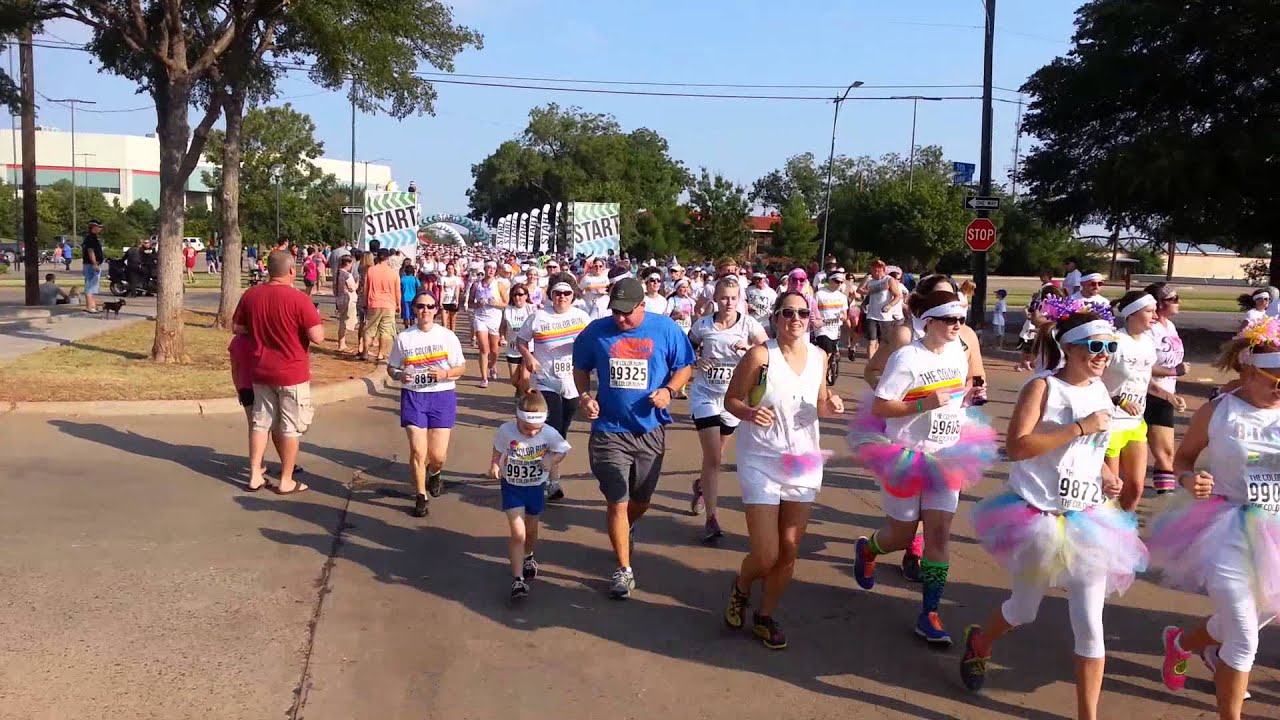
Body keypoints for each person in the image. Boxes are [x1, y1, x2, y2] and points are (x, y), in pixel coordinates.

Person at [959, 309, 1147, 720]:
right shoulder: (1042, 387)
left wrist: (1108, 475)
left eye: (1109, 346)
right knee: (1023, 610)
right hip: (1038, 515)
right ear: (1070, 348)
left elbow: (1093, 451)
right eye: (1095, 346)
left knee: (1091, 625)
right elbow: (1017, 447)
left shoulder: (1100, 390)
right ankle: (980, 641)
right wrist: (1079, 427)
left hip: (1088, 518)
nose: (1104, 354)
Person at [1149, 318, 1280, 719]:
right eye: (1275, 378)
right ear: (1249, 372)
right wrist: (1190, 480)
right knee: (1243, 640)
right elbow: (1183, 459)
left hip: (1276, 529)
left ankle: (1182, 644)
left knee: (1246, 619)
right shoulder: (1219, 411)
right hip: (1227, 528)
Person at [850, 290, 995, 645]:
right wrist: (922, 405)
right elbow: (882, 407)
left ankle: (930, 612)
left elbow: (954, 399)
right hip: (905, 455)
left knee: (939, 535)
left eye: (961, 320)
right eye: (949, 320)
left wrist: (967, 398)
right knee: (901, 535)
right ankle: (868, 550)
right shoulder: (906, 358)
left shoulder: (958, 354)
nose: (957, 326)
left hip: (947, 456)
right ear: (928, 322)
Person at [721, 291, 845, 649]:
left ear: (810, 318)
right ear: (775, 318)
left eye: (802, 313)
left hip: (802, 461)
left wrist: (831, 404)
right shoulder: (761, 355)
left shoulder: (819, 356)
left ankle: (765, 616)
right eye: (788, 313)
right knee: (766, 554)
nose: (796, 319)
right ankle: (742, 586)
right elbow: (732, 400)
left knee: (790, 548)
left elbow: (820, 400)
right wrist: (749, 413)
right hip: (761, 459)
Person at [572, 277, 695, 599]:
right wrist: (584, 397)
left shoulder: (665, 329)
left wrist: (670, 391)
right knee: (618, 499)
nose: (620, 318)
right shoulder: (596, 331)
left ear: (643, 305)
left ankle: (627, 527)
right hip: (609, 430)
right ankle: (623, 569)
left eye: (627, 312)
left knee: (641, 501)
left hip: (649, 430)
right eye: (615, 311)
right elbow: (580, 367)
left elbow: (684, 366)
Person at [231, 250, 325, 495]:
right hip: (292, 372)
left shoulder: (251, 295)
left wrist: (260, 328)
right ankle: (286, 479)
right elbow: (318, 337)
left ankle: (254, 475)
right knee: (290, 427)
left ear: (269, 270)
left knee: (260, 424)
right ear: (292, 271)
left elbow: (237, 327)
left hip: (261, 370)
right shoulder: (299, 299)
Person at [687, 276, 768, 541]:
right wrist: (697, 360)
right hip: (705, 395)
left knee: (717, 455)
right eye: (724, 298)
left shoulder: (749, 324)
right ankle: (712, 519)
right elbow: (687, 348)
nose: (729, 303)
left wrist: (750, 349)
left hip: (733, 399)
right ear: (715, 299)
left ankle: (701, 485)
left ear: (740, 299)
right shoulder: (703, 325)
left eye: (733, 298)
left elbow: (769, 352)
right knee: (713, 458)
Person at [386, 289, 467, 517]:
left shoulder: (447, 336)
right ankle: (420, 495)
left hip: (442, 396)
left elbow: (461, 367)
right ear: (414, 309)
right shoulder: (404, 338)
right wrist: (400, 375)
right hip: (414, 397)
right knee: (418, 450)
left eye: (430, 306)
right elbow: (391, 367)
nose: (425, 310)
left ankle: (435, 473)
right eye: (421, 306)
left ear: (436, 310)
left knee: (437, 456)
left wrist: (445, 374)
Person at [489, 390, 571, 599]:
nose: (532, 433)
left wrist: (551, 460)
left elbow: (562, 450)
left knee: (531, 530)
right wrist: (495, 464)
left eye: (537, 429)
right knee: (518, 533)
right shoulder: (506, 430)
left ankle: (528, 555)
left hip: (535, 487)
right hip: (512, 487)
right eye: (526, 428)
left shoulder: (549, 432)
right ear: (517, 418)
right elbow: (498, 449)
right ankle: (518, 580)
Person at [518, 273, 591, 502]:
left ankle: (549, 473)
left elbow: (593, 341)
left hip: (572, 380)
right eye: (557, 293)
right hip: (545, 379)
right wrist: (529, 357)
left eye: (566, 293)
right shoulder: (538, 317)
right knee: (553, 425)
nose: (562, 297)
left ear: (572, 296)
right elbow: (521, 340)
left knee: (562, 431)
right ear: (551, 295)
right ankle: (549, 481)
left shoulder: (581, 317)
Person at [1102, 290, 1163, 511]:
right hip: (1110, 424)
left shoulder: (1148, 343)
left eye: (1155, 311)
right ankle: (1105, 529)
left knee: (1136, 488)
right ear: (1132, 314)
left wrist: (1169, 396)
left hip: (1136, 424)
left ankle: (1125, 528)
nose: (1156, 316)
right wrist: (1120, 401)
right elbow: (1092, 381)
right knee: (1110, 490)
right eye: (1149, 311)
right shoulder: (1115, 342)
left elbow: (1144, 379)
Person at [1145, 282, 1187, 495]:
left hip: (1165, 394)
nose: (1178, 303)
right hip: (1148, 393)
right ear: (1159, 304)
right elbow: (1142, 366)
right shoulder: (1149, 330)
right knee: (1162, 452)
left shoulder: (1169, 326)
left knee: (1166, 452)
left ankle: (1164, 494)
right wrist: (1173, 371)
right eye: (1173, 299)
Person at [471, 261, 510, 388]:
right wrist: (477, 304)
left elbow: (506, 303)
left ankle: (492, 365)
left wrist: (496, 304)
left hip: (494, 319)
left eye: (493, 268)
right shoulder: (476, 284)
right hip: (480, 317)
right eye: (489, 268)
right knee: (484, 349)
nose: (491, 270)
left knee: (494, 350)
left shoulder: (499, 285)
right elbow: (470, 302)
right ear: (485, 269)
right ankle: (484, 378)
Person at [858, 260, 904, 361]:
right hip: (871, 316)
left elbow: (898, 296)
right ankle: (870, 364)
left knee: (884, 344)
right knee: (871, 342)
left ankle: (881, 364)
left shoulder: (889, 280)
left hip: (885, 318)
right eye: (873, 268)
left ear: (882, 270)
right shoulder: (871, 281)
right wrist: (867, 279)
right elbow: (860, 290)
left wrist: (889, 305)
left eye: (878, 268)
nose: (875, 270)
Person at [362, 248, 400, 362]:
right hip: (389, 304)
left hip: (374, 302)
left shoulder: (371, 270)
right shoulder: (393, 273)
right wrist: (398, 304)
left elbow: (366, 288)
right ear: (388, 258)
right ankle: (380, 354)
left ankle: (365, 352)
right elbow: (397, 291)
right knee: (386, 331)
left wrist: (365, 302)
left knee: (369, 330)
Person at [813, 270, 850, 379]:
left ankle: (827, 369)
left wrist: (842, 317)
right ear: (830, 280)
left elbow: (845, 315)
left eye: (841, 282)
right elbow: (812, 311)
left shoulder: (842, 297)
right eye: (837, 281)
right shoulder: (819, 294)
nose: (839, 284)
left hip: (835, 329)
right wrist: (816, 320)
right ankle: (821, 375)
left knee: (831, 352)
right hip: (821, 329)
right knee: (827, 352)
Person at [500, 282, 534, 391]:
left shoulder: (531, 309)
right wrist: (502, 337)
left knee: (525, 377)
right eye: (514, 295)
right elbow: (503, 327)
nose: (517, 297)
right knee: (514, 380)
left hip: (528, 348)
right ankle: (521, 391)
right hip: (513, 349)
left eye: (520, 294)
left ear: (526, 296)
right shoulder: (508, 310)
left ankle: (524, 397)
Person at [334, 255, 357, 353]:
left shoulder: (337, 273)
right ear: (347, 263)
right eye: (351, 264)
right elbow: (352, 288)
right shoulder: (347, 275)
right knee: (345, 322)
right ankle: (342, 344)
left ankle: (341, 343)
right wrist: (357, 283)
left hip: (340, 299)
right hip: (348, 299)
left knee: (342, 322)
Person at [81, 219, 104, 314]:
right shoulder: (90, 238)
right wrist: (94, 263)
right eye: (99, 227)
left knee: (92, 286)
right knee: (90, 286)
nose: (101, 229)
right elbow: (90, 251)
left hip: (91, 264)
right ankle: (90, 307)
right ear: (94, 227)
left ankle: (92, 305)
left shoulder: (92, 238)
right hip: (91, 264)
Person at [440, 261, 462, 332]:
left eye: (452, 269)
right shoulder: (443, 278)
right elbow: (442, 291)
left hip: (453, 301)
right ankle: (444, 337)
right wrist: (440, 302)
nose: (450, 270)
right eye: (449, 268)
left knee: (452, 322)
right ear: (446, 270)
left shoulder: (457, 279)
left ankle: (452, 336)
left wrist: (457, 300)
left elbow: (457, 290)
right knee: (444, 324)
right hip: (445, 301)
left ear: (454, 269)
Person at [399, 263, 421, 329]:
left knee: (405, 315)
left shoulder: (402, 279)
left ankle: (406, 328)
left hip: (404, 299)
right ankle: (412, 328)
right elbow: (419, 288)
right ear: (413, 272)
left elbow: (400, 288)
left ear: (405, 272)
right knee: (412, 315)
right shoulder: (415, 279)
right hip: (413, 299)